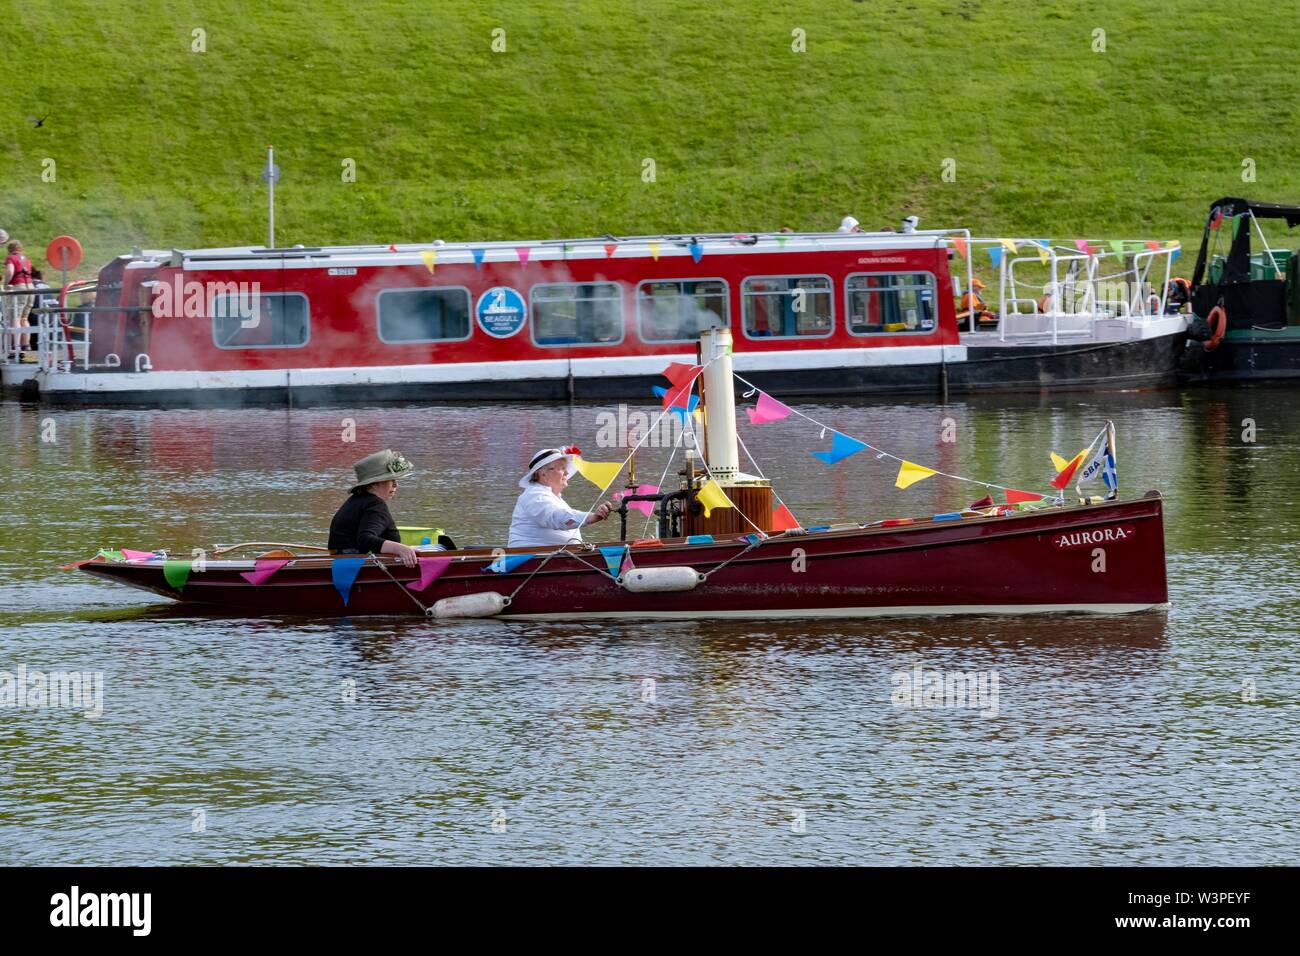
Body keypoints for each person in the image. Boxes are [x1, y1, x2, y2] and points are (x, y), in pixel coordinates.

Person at [328, 449, 420, 567]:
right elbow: (365, 540)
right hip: (355, 570)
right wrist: (401, 549)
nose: (396, 485)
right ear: (373, 484)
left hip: (340, 565)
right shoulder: (375, 504)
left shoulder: (355, 500)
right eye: (391, 480)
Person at [508, 446, 612, 548]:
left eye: (565, 468)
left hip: (556, 558)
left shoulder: (553, 497)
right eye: (562, 468)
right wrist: (591, 517)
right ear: (543, 474)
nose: (567, 473)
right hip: (527, 559)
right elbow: (556, 517)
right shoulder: (534, 495)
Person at [4, 239, 36, 352]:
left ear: (10, 250)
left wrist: (5, 284)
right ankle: (26, 345)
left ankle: (16, 347)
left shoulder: (11, 258)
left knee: (15, 318)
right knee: (24, 318)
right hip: (31, 288)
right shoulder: (26, 259)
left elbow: (10, 271)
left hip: (19, 288)